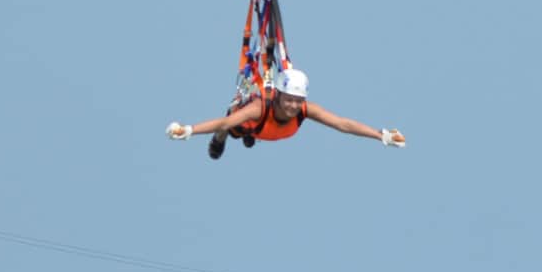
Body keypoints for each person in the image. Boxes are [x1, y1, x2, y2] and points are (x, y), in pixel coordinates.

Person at [167, 68, 405, 155]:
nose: (293, 106)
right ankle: (223, 141)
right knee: (229, 127)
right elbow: (221, 122)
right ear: (279, 95)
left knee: (246, 130)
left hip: (276, 131)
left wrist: (381, 135)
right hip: (251, 124)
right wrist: (188, 130)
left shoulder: (304, 109)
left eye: (297, 100)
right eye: (289, 100)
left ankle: (250, 138)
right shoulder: (259, 107)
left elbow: (342, 124)